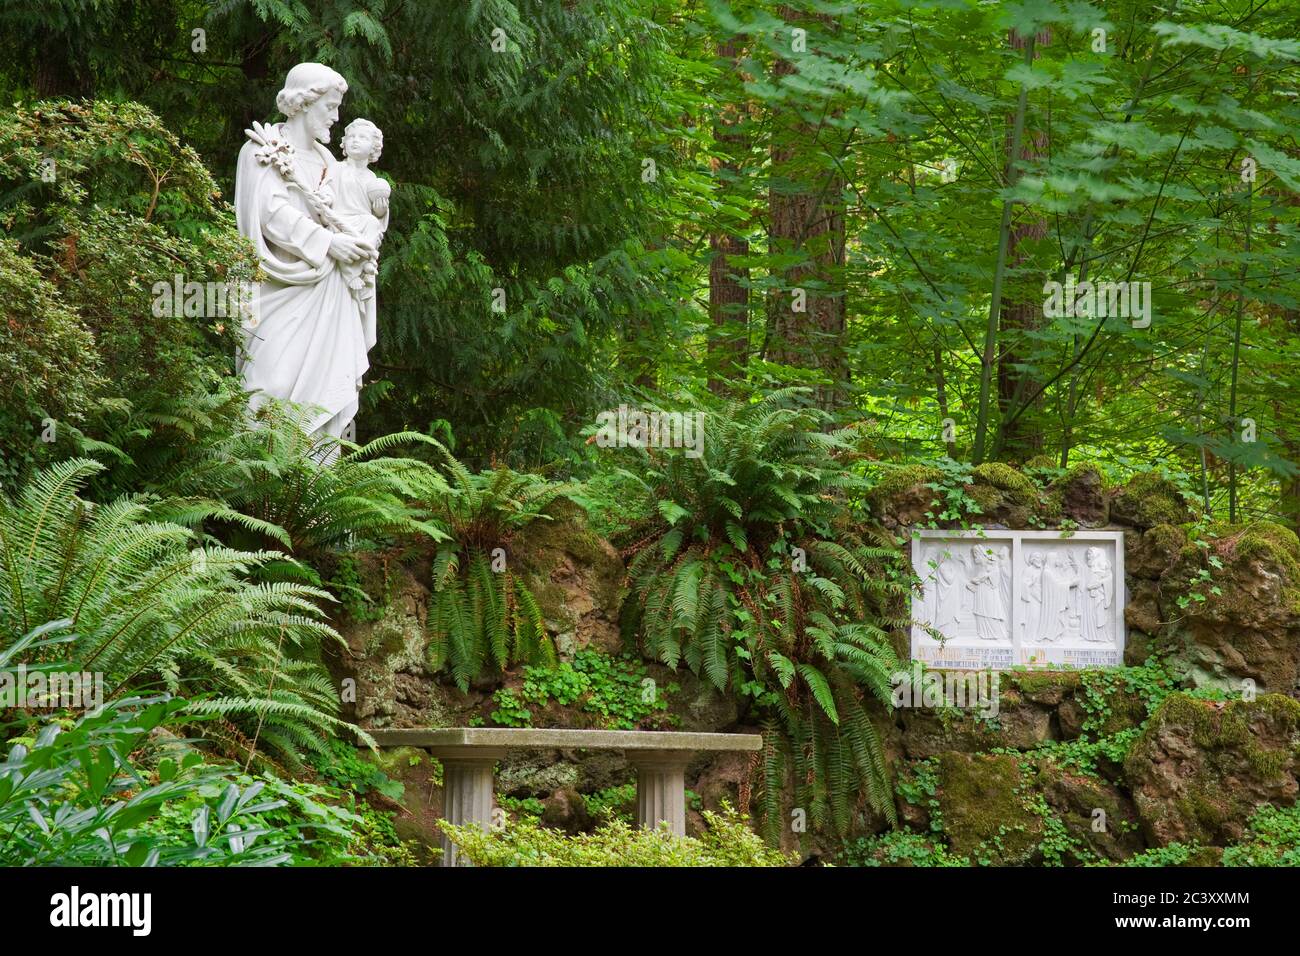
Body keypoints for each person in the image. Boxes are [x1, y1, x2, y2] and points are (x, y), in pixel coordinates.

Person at [234, 62, 377, 453]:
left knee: (323, 397)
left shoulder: (331, 162)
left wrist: (361, 236)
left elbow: (349, 214)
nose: (335, 117)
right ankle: (254, 497)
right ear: (302, 103)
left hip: (328, 292)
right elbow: (270, 215)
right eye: (330, 107)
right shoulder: (260, 150)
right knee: (270, 384)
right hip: (279, 286)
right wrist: (328, 244)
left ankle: (307, 496)